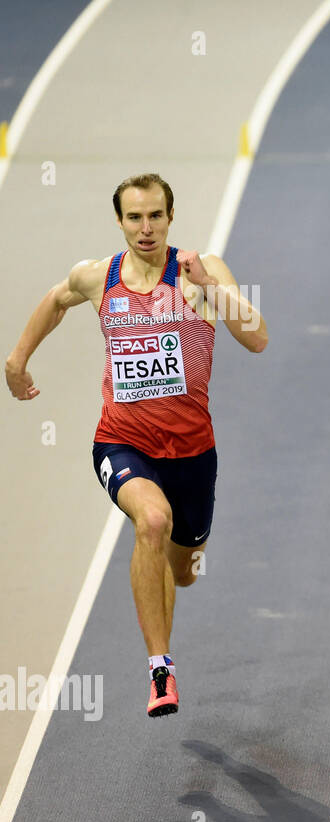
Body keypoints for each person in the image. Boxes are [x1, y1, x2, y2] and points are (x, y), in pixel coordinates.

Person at [5, 172, 268, 717]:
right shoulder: (99, 277)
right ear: (119, 221)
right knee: (150, 522)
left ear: (171, 218)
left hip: (193, 453)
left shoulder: (200, 271)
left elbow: (257, 336)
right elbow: (57, 300)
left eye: (155, 216)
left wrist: (212, 287)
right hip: (122, 442)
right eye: (134, 217)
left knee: (184, 570)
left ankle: (180, 564)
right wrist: (16, 361)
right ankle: (160, 670)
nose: (145, 228)